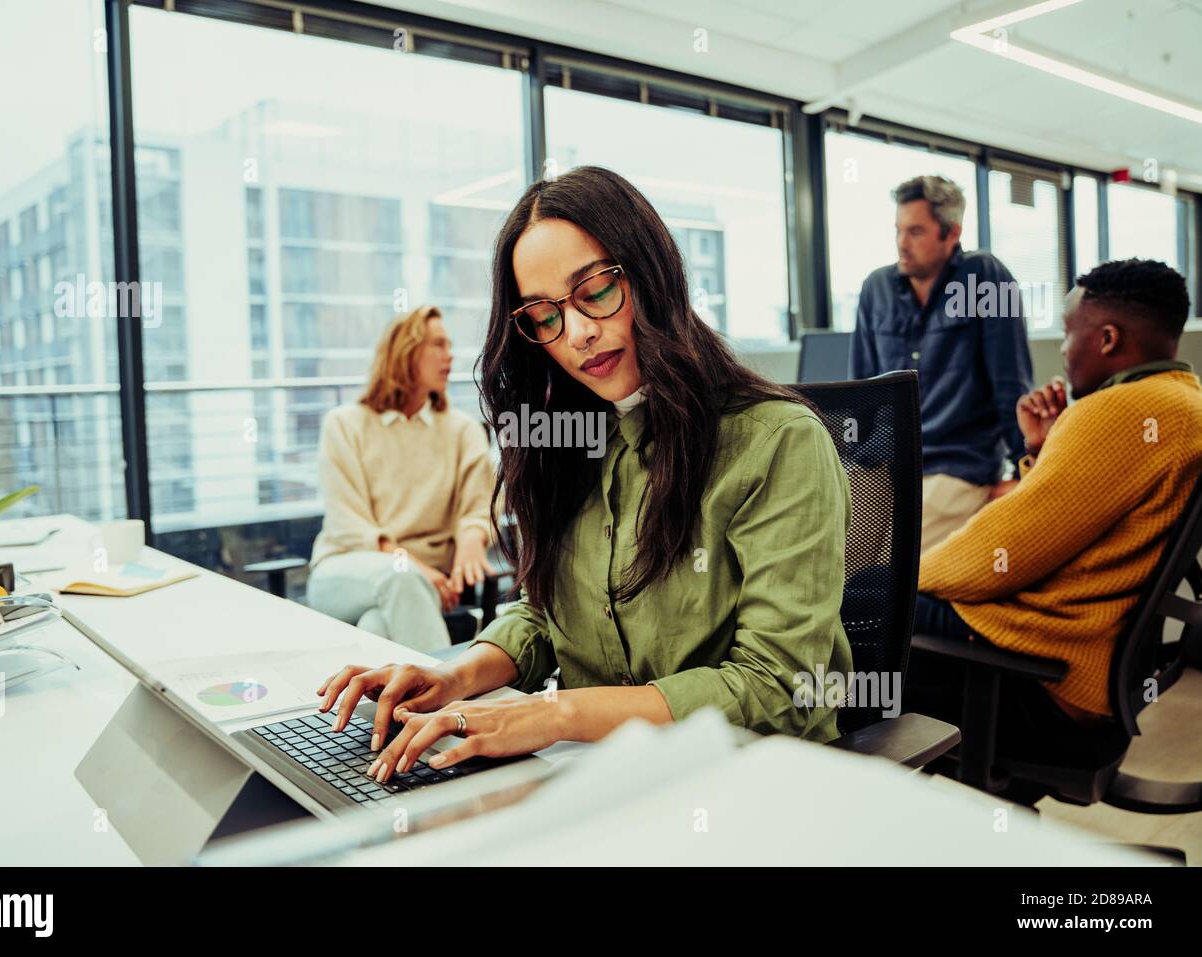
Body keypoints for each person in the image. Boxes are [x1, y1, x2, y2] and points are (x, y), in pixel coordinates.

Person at [316, 166, 854, 780]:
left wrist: (552, 714)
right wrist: (453, 678)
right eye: (544, 316)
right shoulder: (571, 439)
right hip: (595, 776)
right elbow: (546, 614)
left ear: (653, 273)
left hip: (744, 781)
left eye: (595, 290)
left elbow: (778, 689)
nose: (576, 334)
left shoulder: (777, 442)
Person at [908, 259, 1202, 763]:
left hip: (1040, 688)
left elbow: (991, 558)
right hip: (1093, 683)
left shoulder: (1115, 412)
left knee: (856, 606)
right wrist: (1043, 450)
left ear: (1107, 339)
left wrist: (897, 581)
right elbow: (1082, 535)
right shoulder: (1182, 403)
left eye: (1068, 334)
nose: (1063, 351)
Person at [850, 175, 1033, 552]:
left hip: (954, 465)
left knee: (893, 571)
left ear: (952, 234)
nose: (902, 243)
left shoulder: (985, 279)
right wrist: (852, 464)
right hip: (882, 459)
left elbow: (1009, 381)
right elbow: (863, 391)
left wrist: (1023, 473)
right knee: (838, 560)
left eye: (916, 231)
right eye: (898, 230)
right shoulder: (876, 288)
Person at [306, 306, 496, 653]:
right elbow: (348, 524)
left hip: (421, 588)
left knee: (375, 626)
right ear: (405, 352)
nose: (450, 355)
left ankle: (374, 706)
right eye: (438, 344)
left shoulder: (462, 430)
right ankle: (453, 696)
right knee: (399, 577)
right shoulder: (344, 425)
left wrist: (473, 537)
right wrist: (413, 566)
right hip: (344, 570)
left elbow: (478, 507)